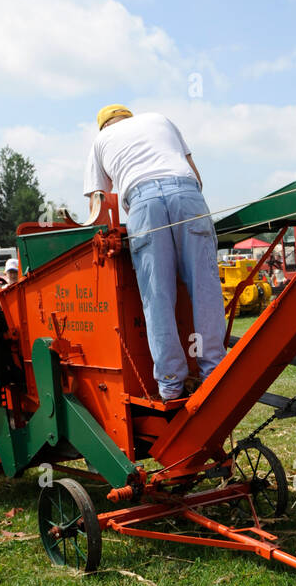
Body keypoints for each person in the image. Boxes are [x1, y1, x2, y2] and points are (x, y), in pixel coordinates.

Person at [84, 104, 226, 403]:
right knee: (205, 289)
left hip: (143, 203)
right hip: (187, 194)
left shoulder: (100, 142)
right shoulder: (160, 120)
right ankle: (215, 372)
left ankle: (171, 384)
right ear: (129, 118)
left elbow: (98, 201)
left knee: (157, 298)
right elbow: (196, 176)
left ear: (103, 126)